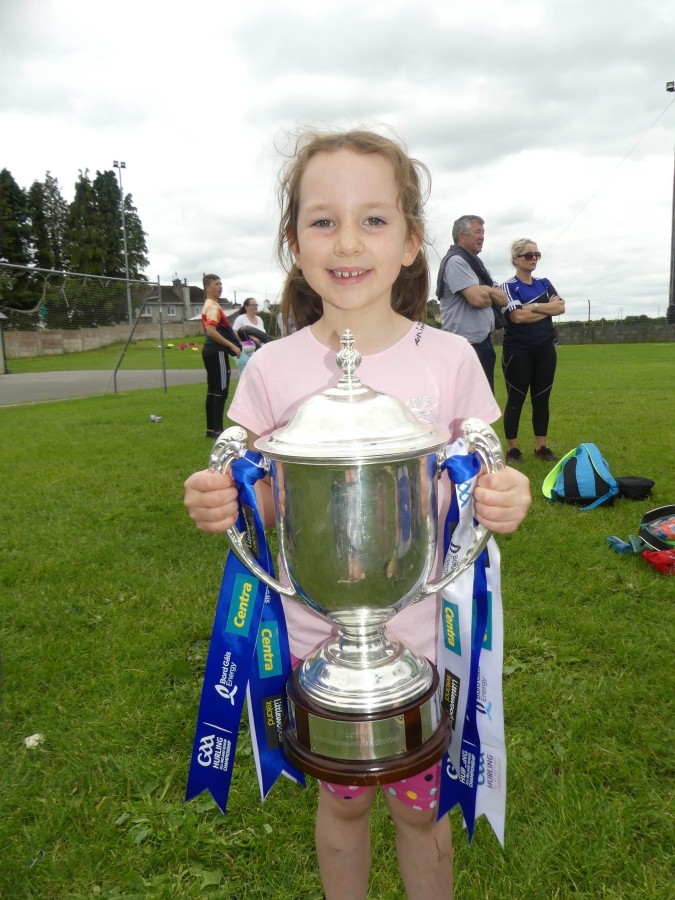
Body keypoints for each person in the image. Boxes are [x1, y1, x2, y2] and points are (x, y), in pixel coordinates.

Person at [184, 129, 531, 900]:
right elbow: (249, 480)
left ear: (412, 242)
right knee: (340, 808)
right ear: (292, 242)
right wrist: (221, 496)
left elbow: (486, 463)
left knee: (418, 812)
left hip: (421, 639)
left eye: (373, 220)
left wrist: (509, 495)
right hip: (315, 644)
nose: (347, 241)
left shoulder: (447, 360)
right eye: (322, 220)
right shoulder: (269, 367)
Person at [500, 239, 566, 464]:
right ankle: (513, 450)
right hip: (517, 352)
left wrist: (534, 307)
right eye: (528, 255)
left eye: (536, 254)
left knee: (541, 400)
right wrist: (547, 310)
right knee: (515, 400)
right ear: (515, 259)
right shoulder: (507, 287)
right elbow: (516, 317)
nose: (534, 259)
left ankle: (541, 448)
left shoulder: (545, 283)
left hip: (545, 351)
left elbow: (561, 307)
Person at [437, 216, 508, 393]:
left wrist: (484, 289)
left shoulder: (476, 265)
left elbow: (504, 299)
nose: (482, 236)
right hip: (466, 347)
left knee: (482, 406)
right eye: (478, 232)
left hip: (481, 344)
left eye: (483, 232)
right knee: (469, 409)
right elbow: (477, 300)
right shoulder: (456, 261)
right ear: (462, 236)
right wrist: (489, 290)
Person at [200, 274, 241, 440]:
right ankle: (218, 430)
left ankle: (211, 429)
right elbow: (211, 331)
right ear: (207, 288)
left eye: (221, 283)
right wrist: (231, 346)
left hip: (208, 351)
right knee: (221, 390)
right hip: (217, 351)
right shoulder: (214, 307)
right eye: (216, 284)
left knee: (212, 390)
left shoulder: (208, 305)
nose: (220, 286)